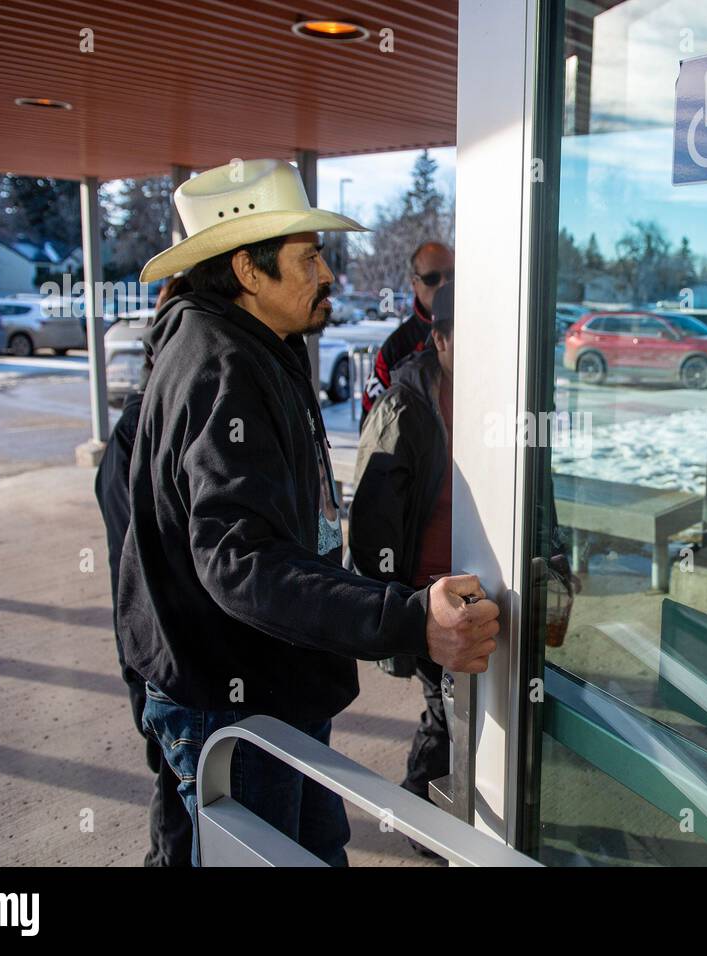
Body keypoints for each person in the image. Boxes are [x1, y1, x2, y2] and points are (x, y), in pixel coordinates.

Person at [119, 159, 499, 866]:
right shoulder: (222, 368)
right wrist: (407, 616)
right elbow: (241, 562)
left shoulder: (248, 347)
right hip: (232, 703)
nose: (327, 274)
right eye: (310, 256)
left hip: (266, 686)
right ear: (248, 270)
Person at [350, 282, 456, 839]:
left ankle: (442, 811)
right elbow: (371, 523)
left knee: (463, 714)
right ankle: (423, 816)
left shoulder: (502, 395)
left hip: (485, 588)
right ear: (437, 338)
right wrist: (393, 612)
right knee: (447, 713)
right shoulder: (404, 409)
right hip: (429, 596)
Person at [94, 273, 192, 867]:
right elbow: (139, 571)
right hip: (165, 664)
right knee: (180, 823)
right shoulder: (138, 434)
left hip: (182, 667)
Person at [360, 241, 454, 427]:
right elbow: (371, 423)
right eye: (432, 278)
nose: (444, 283)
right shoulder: (396, 347)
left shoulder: (479, 331)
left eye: (451, 275)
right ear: (414, 284)